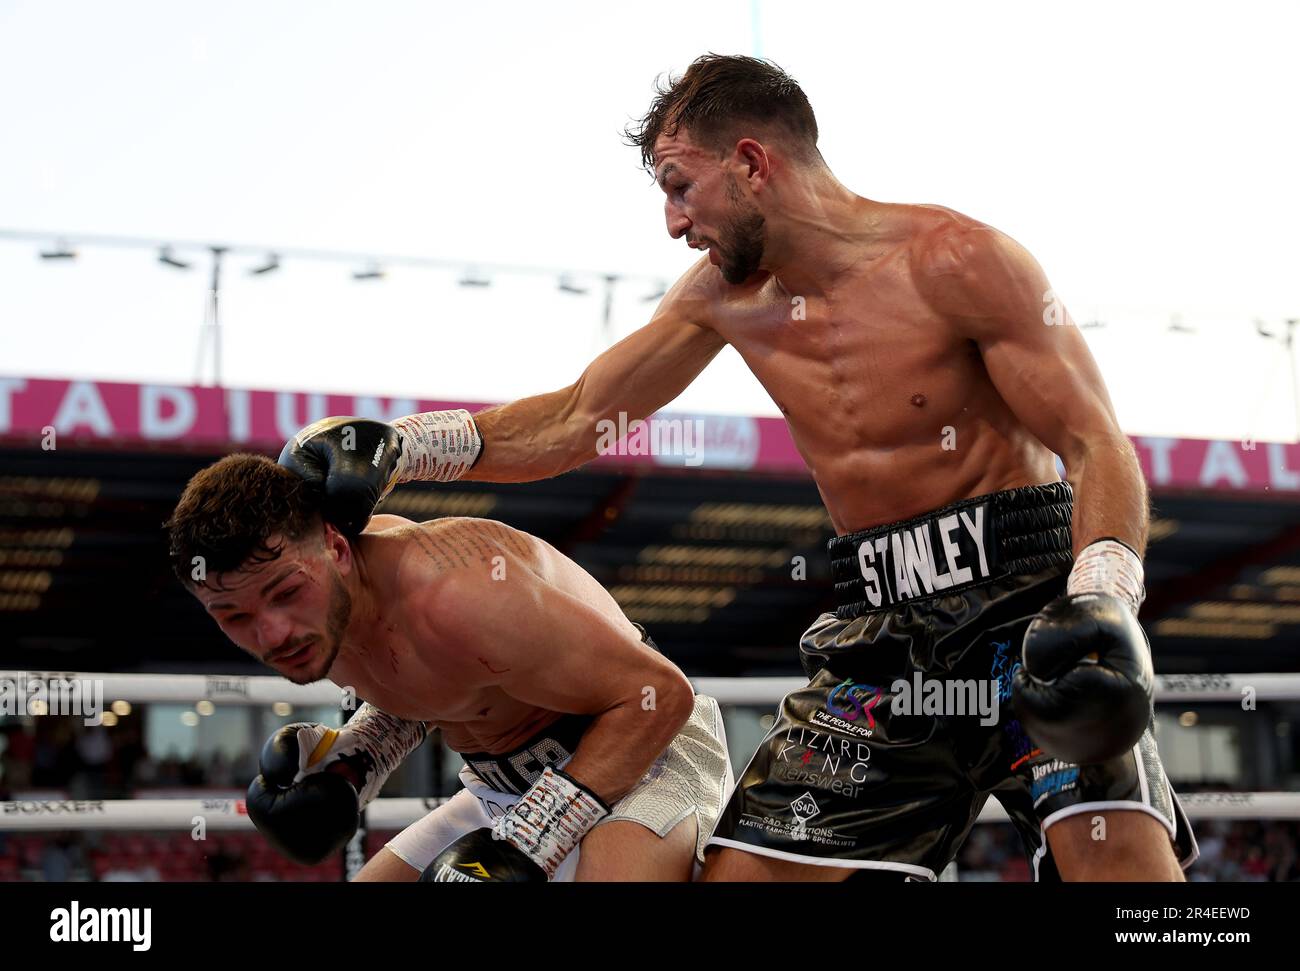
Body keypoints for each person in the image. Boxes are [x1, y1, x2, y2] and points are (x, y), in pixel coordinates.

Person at [286, 53, 1196, 882]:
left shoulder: (958, 259)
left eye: (682, 187)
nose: (675, 223)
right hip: (879, 638)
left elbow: (1095, 442)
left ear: (753, 163)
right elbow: (574, 421)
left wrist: (1105, 596)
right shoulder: (724, 299)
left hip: (1026, 604)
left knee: (1124, 880)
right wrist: (402, 444)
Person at [165, 453, 732, 881]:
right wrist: (360, 759)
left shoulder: (459, 593)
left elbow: (657, 694)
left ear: (336, 550)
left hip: (643, 757)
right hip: (503, 786)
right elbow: (438, 682)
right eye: (232, 615)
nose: (272, 634)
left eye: (285, 593)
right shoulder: (318, 620)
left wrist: (534, 837)